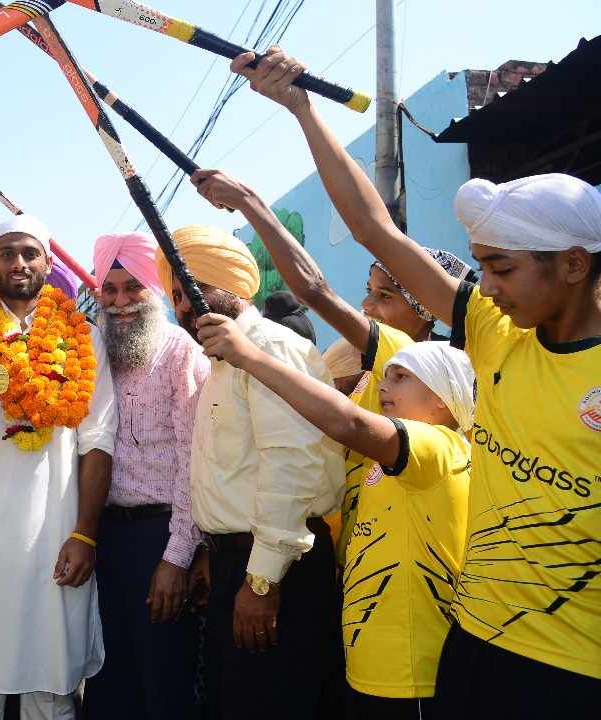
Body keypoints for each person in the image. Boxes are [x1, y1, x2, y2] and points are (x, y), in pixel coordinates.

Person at [233, 45, 601, 715]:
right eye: (480, 267)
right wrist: (300, 109)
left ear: (574, 265)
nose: (482, 286)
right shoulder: (494, 331)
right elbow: (373, 228)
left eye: (502, 268)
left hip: (571, 672)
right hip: (471, 644)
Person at [189, 167, 473, 574]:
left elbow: (316, 293)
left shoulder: (431, 368)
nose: (367, 307)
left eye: (385, 297)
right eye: (368, 292)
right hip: (357, 553)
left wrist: (250, 205)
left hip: (411, 561)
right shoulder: (371, 364)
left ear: (426, 309)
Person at [199, 313, 474, 719]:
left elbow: (346, 422)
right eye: (387, 376)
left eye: (401, 378)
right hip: (367, 665)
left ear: (442, 397)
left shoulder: (440, 448)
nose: (382, 385)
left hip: (411, 672)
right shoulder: (383, 467)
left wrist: (251, 358)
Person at [0, 214, 117, 720]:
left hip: (56, 530)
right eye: (8, 253)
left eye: (30, 253)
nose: (19, 263)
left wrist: (85, 535)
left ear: (48, 262)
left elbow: (98, 441)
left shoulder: (83, 338)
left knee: (51, 688)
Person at [160, 225, 343, 719]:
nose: (180, 307)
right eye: (174, 294)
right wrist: (207, 552)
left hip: (278, 572)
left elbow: (293, 468)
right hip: (234, 567)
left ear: (230, 283)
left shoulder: (269, 348)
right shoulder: (220, 363)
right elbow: (227, 475)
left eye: (191, 288)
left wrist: (262, 582)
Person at [82, 232, 209, 719]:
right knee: (108, 680)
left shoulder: (180, 353)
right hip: (101, 536)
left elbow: (191, 461)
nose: (119, 303)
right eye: (108, 290)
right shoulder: (92, 353)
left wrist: (176, 559)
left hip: (160, 539)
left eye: (131, 288)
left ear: (154, 287)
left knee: (163, 681)